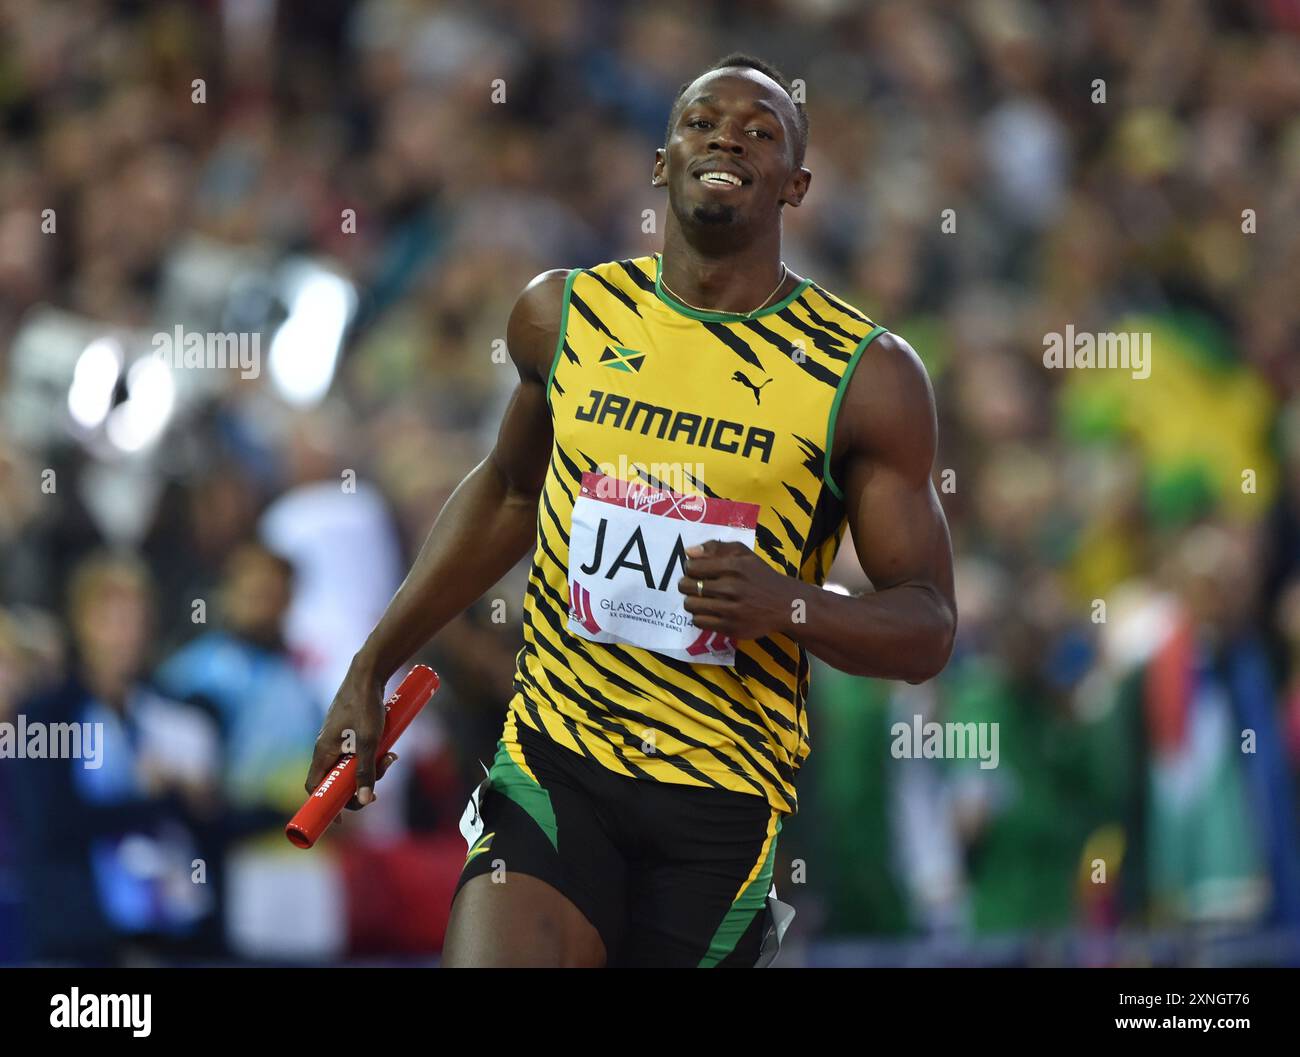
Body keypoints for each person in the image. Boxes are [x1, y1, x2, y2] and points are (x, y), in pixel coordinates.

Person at [306, 53, 956, 968]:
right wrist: (372, 666)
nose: (726, 134)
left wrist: (786, 604)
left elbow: (928, 626)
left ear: (796, 185)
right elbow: (508, 492)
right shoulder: (565, 314)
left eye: (760, 130)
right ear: (661, 162)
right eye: (700, 121)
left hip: (721, 805)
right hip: (557, 766)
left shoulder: (868, 374)